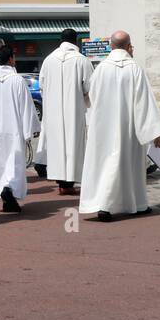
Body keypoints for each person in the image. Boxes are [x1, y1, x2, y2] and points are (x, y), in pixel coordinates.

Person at [79, 31, 160, 221]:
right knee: (127, 165)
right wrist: (154, 131)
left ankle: (107, 203)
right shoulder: (134, 68)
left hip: (104, 126)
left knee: (104, 163)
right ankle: (119, 204)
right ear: (128, 46)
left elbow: (91, 97)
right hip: (129, 127)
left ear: (111, 46)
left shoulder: (101, 68)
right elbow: (144, 102)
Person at [0, 45, 40, 213]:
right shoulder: (17, 80)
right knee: (14, 162)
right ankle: (10, 189)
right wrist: (31, 129)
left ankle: (3, 193)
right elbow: (27, 106)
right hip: (13, 128)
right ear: (10, 59)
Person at [37, 28, 93, 195]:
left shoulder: (48, 60)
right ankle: (69, 183)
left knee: (57, 145)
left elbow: (41, 86)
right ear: (75, 41)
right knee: (73, 143)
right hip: (74, 111)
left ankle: (61, 182)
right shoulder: (82, 60)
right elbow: (90, 87)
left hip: (53, 113)